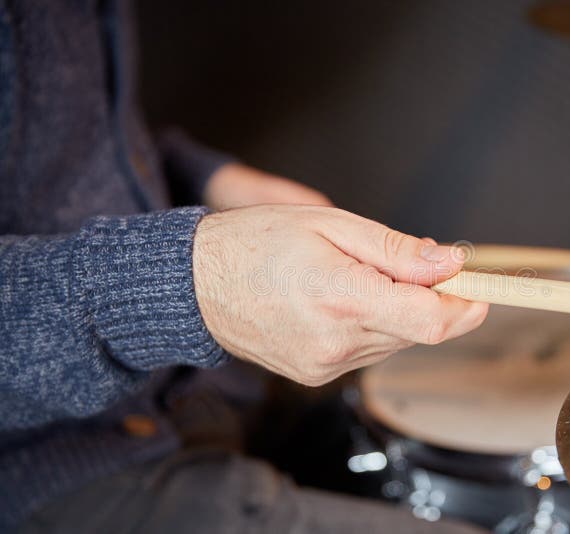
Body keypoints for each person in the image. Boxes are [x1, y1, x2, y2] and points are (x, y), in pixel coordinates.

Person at [0, 1, 489, 532]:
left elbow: (68, 141)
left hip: (196, 390)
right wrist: (189, 283)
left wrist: (207, 180)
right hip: (42, 469)